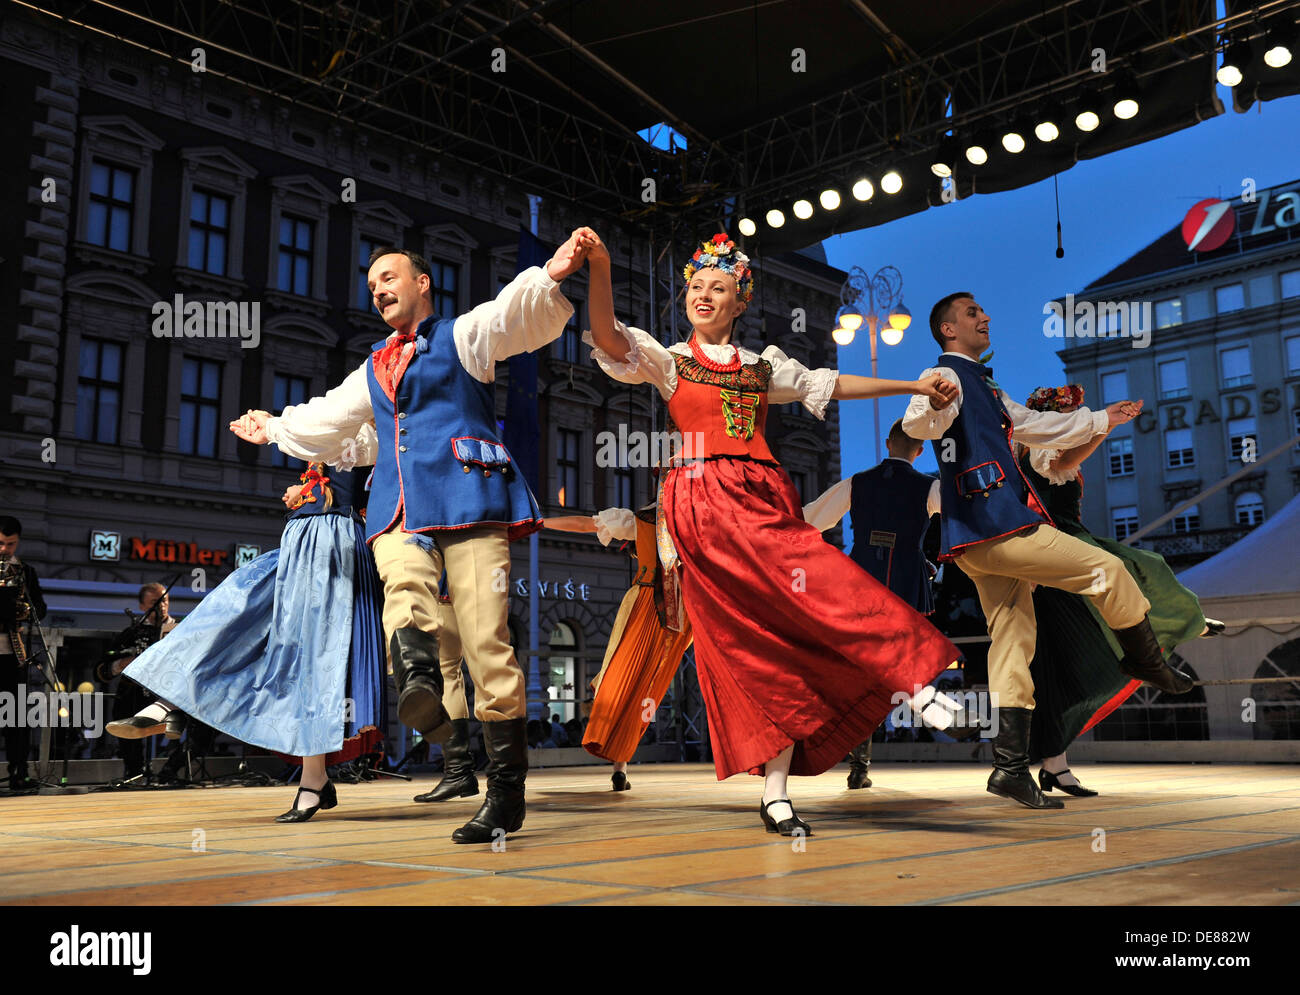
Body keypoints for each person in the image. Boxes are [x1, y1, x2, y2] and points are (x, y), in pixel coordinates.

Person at [583, 231, 961, 836]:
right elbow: (607, 336)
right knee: (806, 592)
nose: (704, 295)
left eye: (719, 288)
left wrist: (913, 387)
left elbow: (831, 382)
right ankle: (907, 676)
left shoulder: (763, 368)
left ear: (739, 303)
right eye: (697, 286)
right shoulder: (670, 360)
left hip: (762, 495)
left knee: (776, 639)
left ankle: (778, 791)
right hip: (704, 499)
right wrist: (601, 265)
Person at [230, 231, 595, 843]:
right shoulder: (372, 365)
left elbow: (508, 315)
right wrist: (274, 427)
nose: (378, 291)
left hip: (468, 496)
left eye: (388, 278)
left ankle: (505, 792)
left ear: (422, 283)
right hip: (398, 506)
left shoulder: (463, 336)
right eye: (371, 285)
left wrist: (550, 274)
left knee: (486, 644)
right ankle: (419, 683)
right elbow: (330, 414)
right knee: (400, 577)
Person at [901, 293, 1194, 811]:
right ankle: (1146, 660)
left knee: (1013, 643)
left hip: (974, 539)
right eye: (973, 312)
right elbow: (917, 426)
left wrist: (1101, 418)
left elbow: (1037, 426)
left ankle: (1010, 768)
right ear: (948, 329)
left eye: (982, 310)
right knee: (1108, 569)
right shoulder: (944, 375)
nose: (985, 316)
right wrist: (934, 402)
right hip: (996, 527)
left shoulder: (986, 387)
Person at [108, 463, 386, 823]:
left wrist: (278, 441)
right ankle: (170, 701)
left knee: (313, 662)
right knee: (231, 607)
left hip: (332, 545)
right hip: (300, 544)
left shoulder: (359, 433)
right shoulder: (332, 435)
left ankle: (313, 780)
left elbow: (338, 451)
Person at [1015, 385, 1223, 797]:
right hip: (1057, 552)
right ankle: (1188, 621)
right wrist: (1106, 426)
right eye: (1070, 415)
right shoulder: (1038, 449)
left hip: (1068, 550)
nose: (1076, 421)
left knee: (1073, 666)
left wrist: (1103, 426)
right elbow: (1065, 462)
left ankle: (1054, 765)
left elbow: (1068, 461)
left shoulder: (1047, 450)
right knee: (1142, 568)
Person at [803, 419, 943, 789]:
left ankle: (858, 764)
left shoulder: (857, 482)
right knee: (896, 666)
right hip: (906, 585)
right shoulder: (930, 487)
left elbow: (810, 519)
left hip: (862, 583)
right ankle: (926, 704)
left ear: (887, 443)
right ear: (920, 451)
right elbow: (965, 518)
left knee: (864, 673)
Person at [545, 506, 695, 793]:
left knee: (622, 678)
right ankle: (620, 765)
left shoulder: (644, 519)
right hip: (680, 611)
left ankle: (618, 762)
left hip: (647, 603)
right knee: (647, 689)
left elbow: (585, 524)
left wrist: (540, 523)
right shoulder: (696, 519)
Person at [101, 583, 181, 782]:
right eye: (155, 602)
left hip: (173, 693)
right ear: (142, 606)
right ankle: (135, 771)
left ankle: (171, 769)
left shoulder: (181, 631)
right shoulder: (132, 633)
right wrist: (122, 663)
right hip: (137, 694)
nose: (161, 606)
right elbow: (102, 669)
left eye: (164, 601)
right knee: (124, 708)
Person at [412, 586, 479, 804]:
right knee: (452, 673)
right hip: (470, 590)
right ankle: (460, 771)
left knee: (446, 672)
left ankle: (459, 771)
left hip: (438, 592)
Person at [0, 516, 46, 793]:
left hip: (12, 652)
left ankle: (19, 771)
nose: (4, 549)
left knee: (16, 715)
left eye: (10, 544)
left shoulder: (25, 572)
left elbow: (41, 607)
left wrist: (26, 610)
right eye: (0, 543)